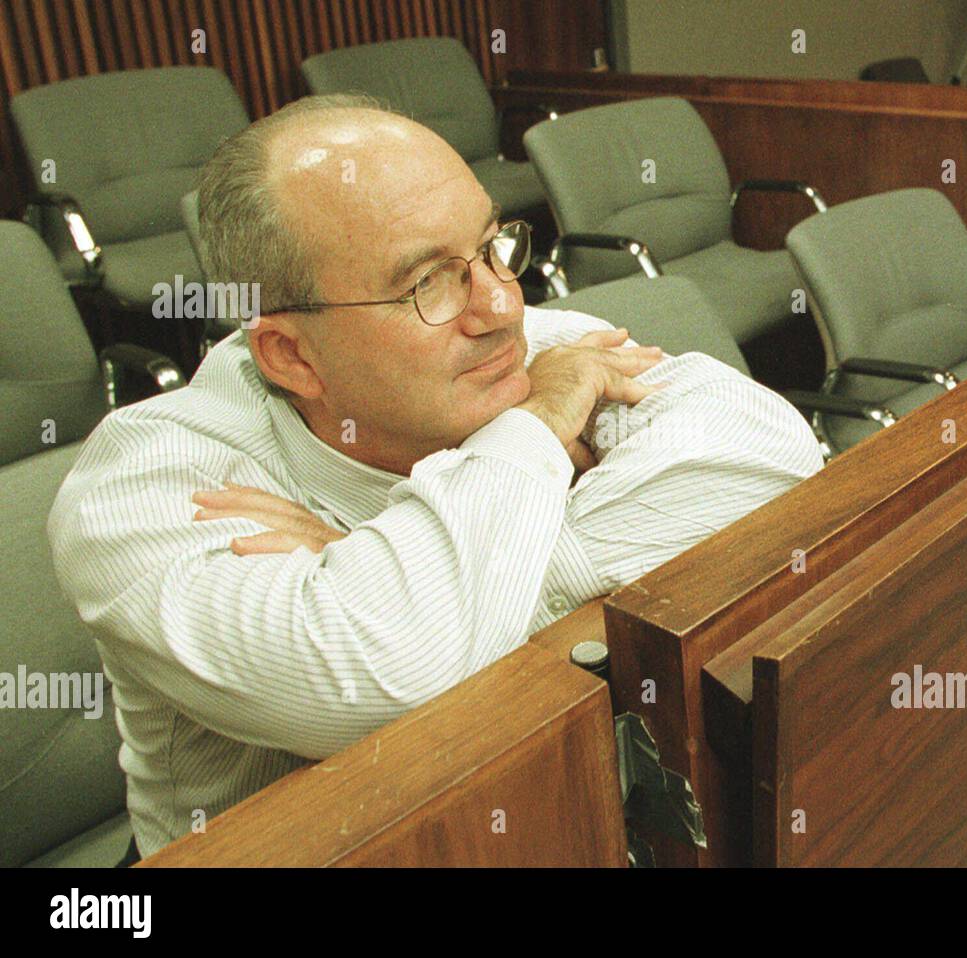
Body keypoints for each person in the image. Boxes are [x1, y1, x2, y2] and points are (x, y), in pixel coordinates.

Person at [48, 94, 824, 858]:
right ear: (291, 355)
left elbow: (773, 450)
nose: (502, 303)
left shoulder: (506, 346)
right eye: (427, 282)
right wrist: (538, 434)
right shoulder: (145, 483)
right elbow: (390, 669)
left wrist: (375, 561)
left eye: (492, 247)